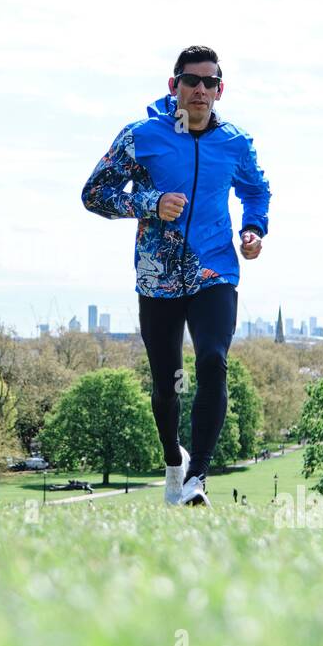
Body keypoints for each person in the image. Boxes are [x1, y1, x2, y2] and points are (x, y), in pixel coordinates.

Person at [81, 46, 271, 507]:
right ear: (174, 86)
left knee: (212, 361)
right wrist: (150, 202)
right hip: (159, 277)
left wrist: (252, 228)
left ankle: (197, 478)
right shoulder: (142, 136)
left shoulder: (235, 142)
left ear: (220, 90)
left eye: (210, 82)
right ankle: (174, 460)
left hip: (214, 272)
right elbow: (94, 194)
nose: (200, 90)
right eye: (192, 81)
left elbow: (256, 191)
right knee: (167, 384)